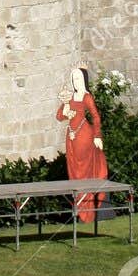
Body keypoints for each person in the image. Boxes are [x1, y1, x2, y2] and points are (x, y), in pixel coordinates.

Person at [57, 66, 108, 220]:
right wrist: (66, 109)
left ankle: (88, 208)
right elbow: (60, 116)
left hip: (84, 136)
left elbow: (96, 116)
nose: (75, 82)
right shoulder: (70, 97)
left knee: (84, 171)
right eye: (73, 79)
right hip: (72, 139)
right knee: (74, 172)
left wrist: (97, 135)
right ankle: (79, 207)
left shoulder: (86, 97)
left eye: (78, 79)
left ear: (84, 80)